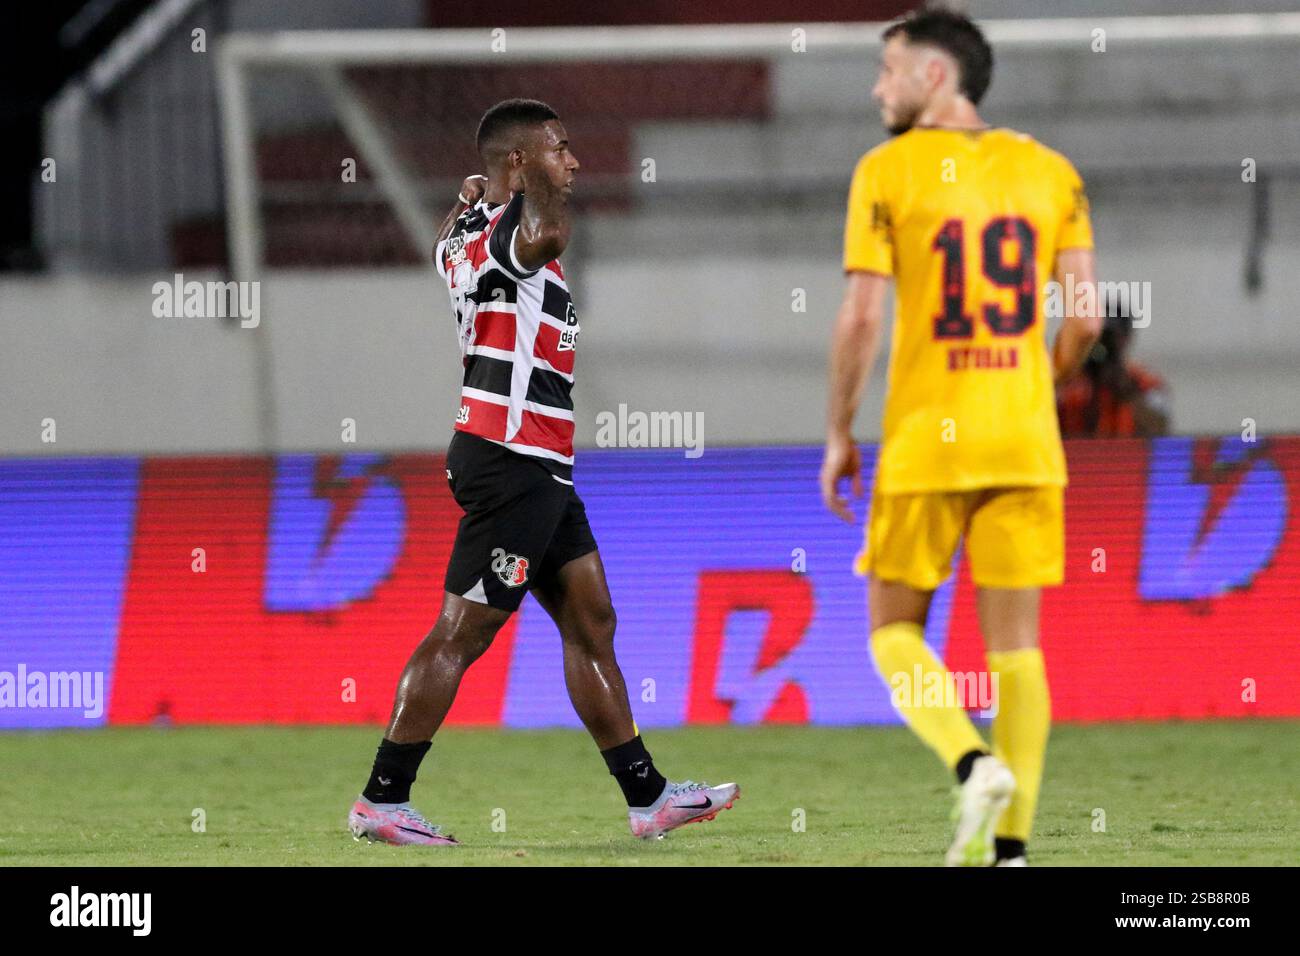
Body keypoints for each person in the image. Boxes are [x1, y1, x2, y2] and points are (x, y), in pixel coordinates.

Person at [347, 98, 738, 846]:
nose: (575, 160)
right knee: (463, 630)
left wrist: (478, 193)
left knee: (592, 619)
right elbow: (549, 228)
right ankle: (382, 800)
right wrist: (525, 192)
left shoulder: (465, 233)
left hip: (538, 464)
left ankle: (648, 797)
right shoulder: (510, 236)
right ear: (520, 163)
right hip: (511, 458)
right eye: (560, 148)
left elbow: (450, 236)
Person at [820, 9, 1102, 866]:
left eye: (889, 70)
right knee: (1018, 650)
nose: (878, 88)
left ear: (935, 76)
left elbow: (864, 315)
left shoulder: (887, 170)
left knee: (893, 634)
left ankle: (970, 762)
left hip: (925, 441)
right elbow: (1085, 319)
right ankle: (1011, 853)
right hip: (1023, 439)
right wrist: (1034, 383)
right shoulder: (1052, 171)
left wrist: (838, 430)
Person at [1057, 297, 1170, 438]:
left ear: (1125, 338)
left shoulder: (1144, 384)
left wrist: (1128, 392)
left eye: (1109, 338)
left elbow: (1160, 429)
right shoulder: (1069, 384)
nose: (1103, 345)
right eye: (1098, 338)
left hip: (1128, 459)